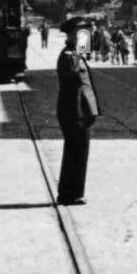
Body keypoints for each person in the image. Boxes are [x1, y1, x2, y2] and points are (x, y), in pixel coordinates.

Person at [55, 18, 100, 205]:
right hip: (74, 112)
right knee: (75, 153)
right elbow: (72, 73)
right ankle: (68, 194)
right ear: (73, 34)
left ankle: (73, 192)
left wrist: (83, 48)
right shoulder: (68, 55)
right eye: (82, 32)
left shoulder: (74, 54)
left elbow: (84, 59)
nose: (86, 36)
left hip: (81, 111)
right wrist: (81, 48)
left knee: (79, 153)